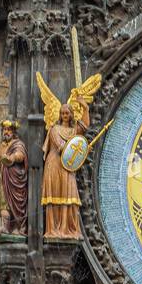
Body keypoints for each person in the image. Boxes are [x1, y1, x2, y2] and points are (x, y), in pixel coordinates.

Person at [41, 102, 88, 239]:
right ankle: (53, 229)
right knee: (55, 193)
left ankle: (68, 229)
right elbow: (61, 147)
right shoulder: (54, 129)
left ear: (71, 114)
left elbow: (84, 126)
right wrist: (75, 150)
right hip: (55, 163)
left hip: (68, 165)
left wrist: (85, 107)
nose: (65, 115)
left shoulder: (73, 131)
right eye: (62, 113)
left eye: (67, 113)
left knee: (70, 194)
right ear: (60, 115)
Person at [0, 119, 28, 236]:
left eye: (8, 130)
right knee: (4, 202)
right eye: (4, 130)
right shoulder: (2, 146)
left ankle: (19, 227)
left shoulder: (18, 144)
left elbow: (21, 155)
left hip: (16, 180)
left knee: (17, 204)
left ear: (13, 132)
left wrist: (11, 158)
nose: (6, 132)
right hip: (5, 180)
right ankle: (5, 227)